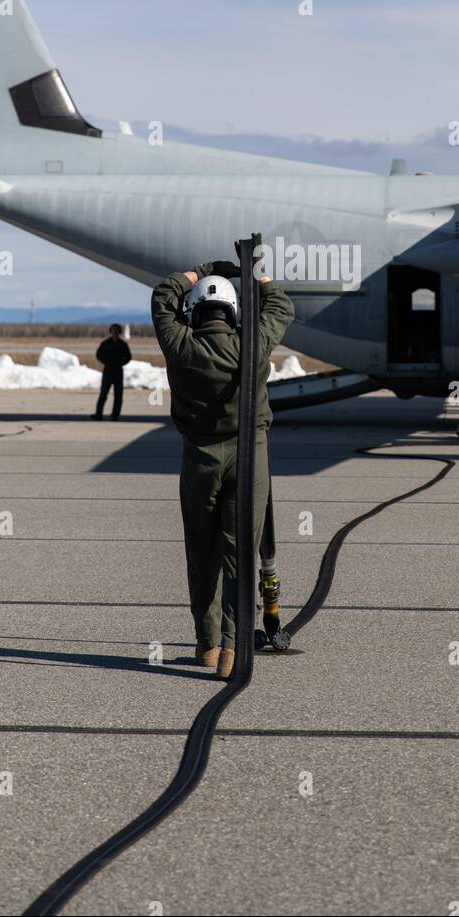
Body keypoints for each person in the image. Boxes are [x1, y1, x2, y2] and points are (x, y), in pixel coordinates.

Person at [151, 257, 294, 680]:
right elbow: (280, 305)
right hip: (250, 456)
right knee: (240, 558)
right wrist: (255, 273)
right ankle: (233, 650)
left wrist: (201, 269)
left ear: (193, 311)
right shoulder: (252, 342)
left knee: (203, 554)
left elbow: (163, 296)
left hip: (199, 458)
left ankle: (208, 644)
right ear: (232, 311)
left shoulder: (179, 342)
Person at [93, 323, 132, 419]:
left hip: (118, 371)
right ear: (111, 331)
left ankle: (115, 415)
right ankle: (98, 414)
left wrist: (121, 363)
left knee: (118, 395)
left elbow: (128, 357)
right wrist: (106, 362)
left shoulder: (123, 344)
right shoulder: (105, 343)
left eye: (116, 330)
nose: (115, 332)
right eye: (113, 330)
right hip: (108, 371)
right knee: (103, 393)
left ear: (119, 332)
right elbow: (98, 355)